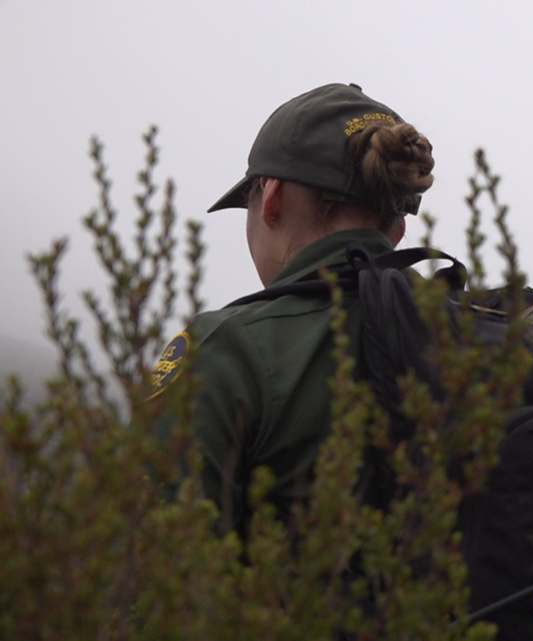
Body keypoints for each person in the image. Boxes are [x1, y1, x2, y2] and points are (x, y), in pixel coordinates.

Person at [149, 82, 434, 533]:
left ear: (272, 198)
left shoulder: (226, 351)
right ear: (397, 230)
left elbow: (148, 572)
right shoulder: (489, 339)